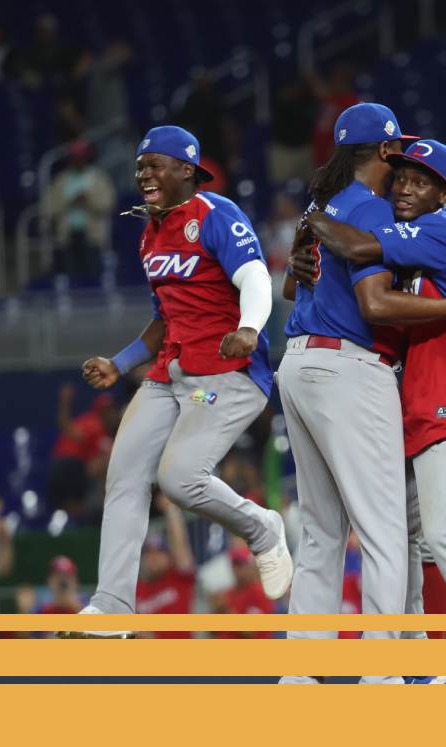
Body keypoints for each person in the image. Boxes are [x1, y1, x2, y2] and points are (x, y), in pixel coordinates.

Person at [277, 103, 446, 685]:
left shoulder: (327, 205)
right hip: (349, 367)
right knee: (384, 530)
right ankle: (384, 675)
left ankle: (300, 676)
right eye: (402, 159)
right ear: (387, 153)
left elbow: (294, 283)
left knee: (322, 532)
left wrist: (306, 241)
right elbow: (373, 304)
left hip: (298, 362)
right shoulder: (369, 209)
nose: (406, 175)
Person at [69, 125, 292, 633]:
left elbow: (255, 277)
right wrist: (120, 363)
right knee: (124, 474)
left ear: (186, 170)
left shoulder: (215, 214)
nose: (143, 173)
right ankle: (112, 607)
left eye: (155, 165)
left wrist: (251, 327)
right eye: (140, 166)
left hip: (227, 374)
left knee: (178, 478)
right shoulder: (150, 235)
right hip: (173, 372)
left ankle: (262, 527)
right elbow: (164, 319)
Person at [44, 139, 115, 281]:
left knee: (94, 276)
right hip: (68, 235)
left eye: (81, 157)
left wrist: (88, 201)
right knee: (71, 277)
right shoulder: (61, 180)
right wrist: (70, 202)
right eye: (75, 157)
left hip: (93, 236)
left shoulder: (98, 177)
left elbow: (108, 204)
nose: (78, 160)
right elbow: (49, 206)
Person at [48, 385, 120, 518]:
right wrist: (64, 402)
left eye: (113, 410)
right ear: (100, 412)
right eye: (107, 411)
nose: (111, 415)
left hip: (70, 466)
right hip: (68, 466)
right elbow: (67, 428)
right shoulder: (94, 423)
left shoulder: (107, 433)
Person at [135, 494, 197, 638]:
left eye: (159, 553)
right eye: (148, 554)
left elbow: (180, 545)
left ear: (169, 557)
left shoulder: (179, 577)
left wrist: (171, 509)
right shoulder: (137, 590)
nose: (153, 558)